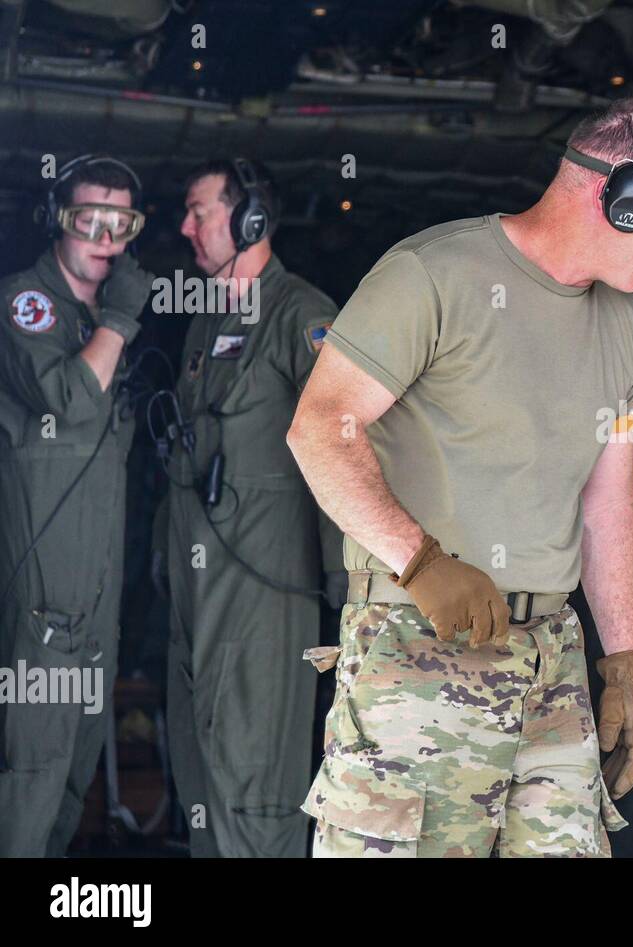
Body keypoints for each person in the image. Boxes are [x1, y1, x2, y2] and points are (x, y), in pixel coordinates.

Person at [286, 99, 633, 856]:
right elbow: (321, 427)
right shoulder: (431, 274)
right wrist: (420, 561)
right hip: (418, 648)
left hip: (551, 663)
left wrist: (625, 662)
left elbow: (608, 502)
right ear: (620, 195)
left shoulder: (627, 324)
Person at [163, 158, 343, 857]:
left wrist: (345, 588)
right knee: (200, 774)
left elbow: (345, 445)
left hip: (267, 594)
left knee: (256, 778)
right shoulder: (205, 323)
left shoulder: (303, 315)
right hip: (197, 592)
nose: (185, 227)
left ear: (250, 219)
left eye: (198, 211)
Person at [0, 154, 153, 856]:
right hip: (41, 610)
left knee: (70, 786)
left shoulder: (102, 323)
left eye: (121, 224)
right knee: (27, 783)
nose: (105, 238)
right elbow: (68, 397)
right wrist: (118, 320)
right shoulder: (24, 303)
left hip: (94, 612)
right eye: (89, 219)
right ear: (58, 220)